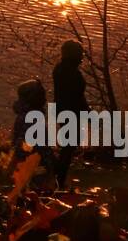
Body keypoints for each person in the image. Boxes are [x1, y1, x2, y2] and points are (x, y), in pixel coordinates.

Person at [51, 39, 89, 188]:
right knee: (69, 146)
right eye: (80, 54)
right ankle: (58, 179)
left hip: (61, 110)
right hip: (71, 113)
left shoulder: (59, 69)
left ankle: (58, 177)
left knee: (69, 145)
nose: (82, 57)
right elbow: (78, 97)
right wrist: (89, 114)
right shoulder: (73, 73)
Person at [11, 78, 56, 178]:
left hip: (34, 164)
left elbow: (21, 146)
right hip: (36, 164)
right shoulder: (33, 117)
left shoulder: (27, 116)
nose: (45, 100)